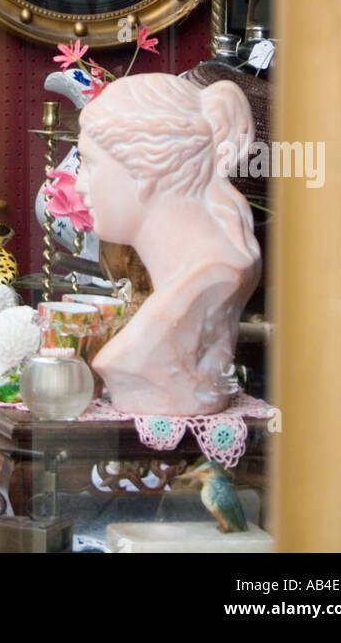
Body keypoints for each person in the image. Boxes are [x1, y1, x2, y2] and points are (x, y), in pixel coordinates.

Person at [75, 73, 261, 414]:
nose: (77, 185)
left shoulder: (211, 277)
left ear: (145, 168)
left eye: (89, 164)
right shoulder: (224, 262)